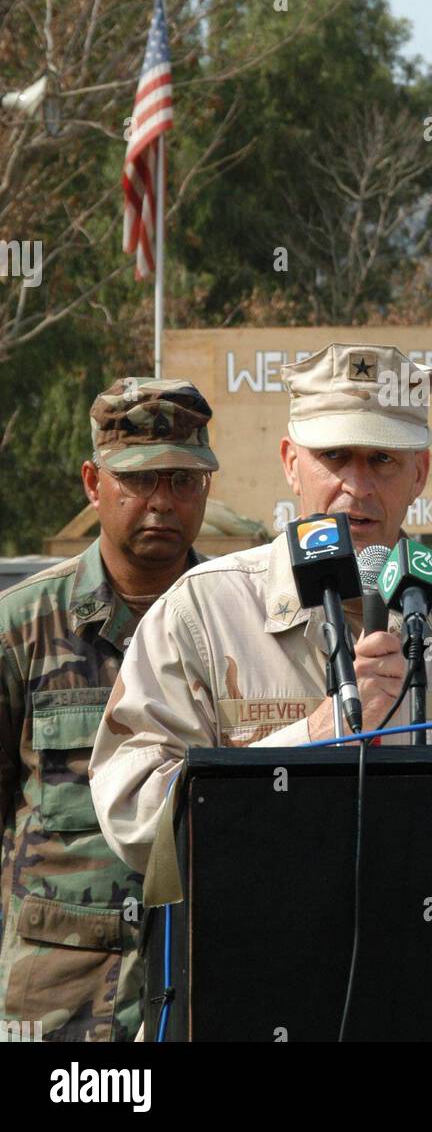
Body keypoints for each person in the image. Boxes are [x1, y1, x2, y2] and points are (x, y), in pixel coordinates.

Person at [90, 344, 432, 878]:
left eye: (383, 460)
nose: (357, 486)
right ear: (290, 462)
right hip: (266, 945)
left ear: (419, 474)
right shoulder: (203, 614)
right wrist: (311, 741)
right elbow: (133, 816)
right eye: (334, 457)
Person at [0, 377, 217, 1041]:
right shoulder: (25, 625)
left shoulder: (233, 619)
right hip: (58, 996)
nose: (162, 503)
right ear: (95, 484)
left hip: (202, 982)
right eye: (140, 481)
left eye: (183, 481)